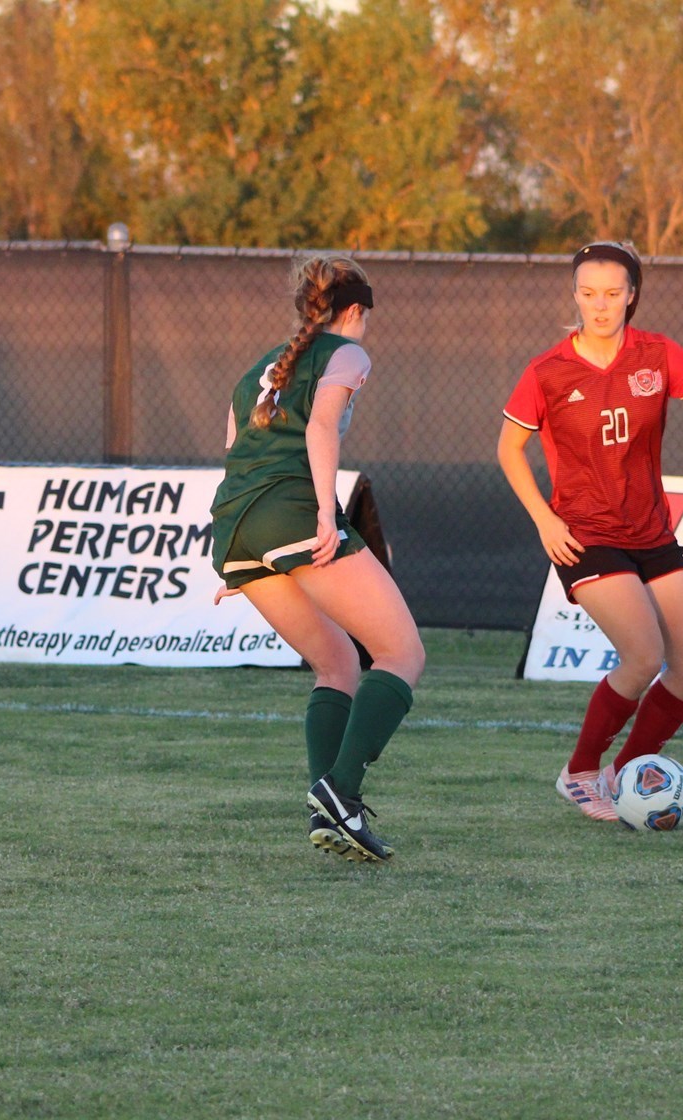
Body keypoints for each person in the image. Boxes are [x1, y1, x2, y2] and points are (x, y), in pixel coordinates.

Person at [496, 241, 683, 823]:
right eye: (587, 293)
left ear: (631, 295)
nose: (598, 306)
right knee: (642, 654)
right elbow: (509, 448)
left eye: (611, 294)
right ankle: (578, 772)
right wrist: (545, 519)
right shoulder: (549, 371)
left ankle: (625, 773)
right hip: (583, 533)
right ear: (574, 296)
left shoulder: (657, 354)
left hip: (651, 531)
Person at [210, 256, 424, 862]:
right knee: (402, 653)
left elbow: (234, 453)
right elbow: (321, 427)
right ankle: (342, 793)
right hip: (292, 510)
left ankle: (328, 808)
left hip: (235, 526)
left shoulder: (260, 366)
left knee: (337, 663)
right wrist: (327, 516)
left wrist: (239, 557)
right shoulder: (346, 352)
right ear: (355, 310)